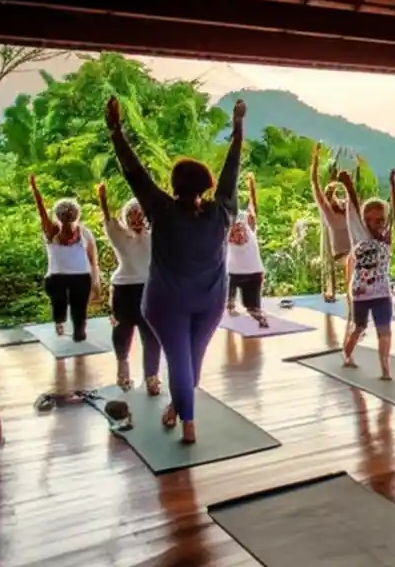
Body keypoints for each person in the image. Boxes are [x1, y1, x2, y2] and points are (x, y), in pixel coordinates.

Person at [106, 95, 244, 445]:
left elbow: (134, 173)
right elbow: (232, 172)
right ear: (205, 185)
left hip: (166, 302)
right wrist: (238, 128)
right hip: (209, 300)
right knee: (190, 360)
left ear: (174, 186)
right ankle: (182, 411)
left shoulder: (162, 210)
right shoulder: (221, 211)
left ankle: (187, 421)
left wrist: (116, 132)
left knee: (181, 361)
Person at [98, 183, 159, 393]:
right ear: (126, 218)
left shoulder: (155, 237)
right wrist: (103, 200)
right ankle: (122, 372)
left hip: (148, 290)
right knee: (123, 331)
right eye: (132, 214)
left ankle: (151, 377)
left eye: (141, 214)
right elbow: (108, 221)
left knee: (151, 335)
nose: (137, 218)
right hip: (124, 291)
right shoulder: (121, 236)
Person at [341, 169, 395, 379]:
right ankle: (347, 354)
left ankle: (385, 368)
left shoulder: (387, 237)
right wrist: (348, 186)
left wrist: (393, 186)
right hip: (361, 293)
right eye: (374, 220)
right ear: (366, 221)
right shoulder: (360, 235)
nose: (380, 224)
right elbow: (354, 211)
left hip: (382, 292)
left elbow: (394, 213)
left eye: (381, 220)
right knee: (359, 327)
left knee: (385, 330)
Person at [30, 175, 100, 341]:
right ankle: (61, 322)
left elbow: (93, 259)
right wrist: (35, 190)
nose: (68, 216)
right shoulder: (52, 231)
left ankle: (77, 330)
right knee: (61, 303)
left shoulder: (84, 232)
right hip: (57, 277)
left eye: (70, 213)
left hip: (80, 276)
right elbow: (41, 210)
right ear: (59, 216)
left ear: (76, 215)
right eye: (65, 214)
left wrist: (96, 280)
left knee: (79, 308)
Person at [310, 143, 352, 306]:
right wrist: (315, 161)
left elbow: (351, 195)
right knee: (348, 263)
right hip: (342, 253)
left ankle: (353, 294)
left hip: (351, 251)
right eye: (334, 196)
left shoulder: (345, 208)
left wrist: (344, 183)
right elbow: (315, 185)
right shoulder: (329, 213)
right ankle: (340, 292)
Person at [226, 174, 267, 328]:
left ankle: (255, 315)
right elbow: (252, 206)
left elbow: (252, 206)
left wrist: (251, 188)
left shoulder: (239, 225)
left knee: (245, 308)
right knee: (249, 308)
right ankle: (256, 315)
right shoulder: (237, 226)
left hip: (246, 273)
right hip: (246, 272)